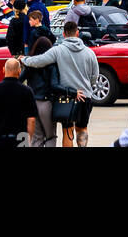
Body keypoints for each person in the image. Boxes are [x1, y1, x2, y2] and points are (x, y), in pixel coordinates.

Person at [21, 20, 99, 148]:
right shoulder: (90, 53)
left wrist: (24, 59)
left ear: (63, 34)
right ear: (77, 33)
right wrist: (86, 87)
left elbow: (39, 61)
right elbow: (94, 76)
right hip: (85, 96)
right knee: (82, 128)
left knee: (67, 131)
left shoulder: (57, 51)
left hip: (66, 98)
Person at [0, 57, 35, 148]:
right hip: (20, 139)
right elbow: (31, 120)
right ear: (19, 71)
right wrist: (28, 140)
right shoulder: (27, 91)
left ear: (3, 70)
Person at [20, 36, 57, 148]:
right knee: (50, 136)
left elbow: (19, 80)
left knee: (37, 137)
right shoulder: (51, 65)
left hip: (32, 102)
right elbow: (54, 85)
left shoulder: (30, 64)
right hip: (47, 103)